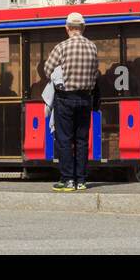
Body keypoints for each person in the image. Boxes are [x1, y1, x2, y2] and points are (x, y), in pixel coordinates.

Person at [42, 12, 99, 191]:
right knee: (82, 139)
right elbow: (96, 73)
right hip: (85, 98)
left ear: (67, 28)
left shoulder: (61, 47)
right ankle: (81, 180)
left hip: (65, 98)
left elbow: (47, 70)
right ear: (83, 28)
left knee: (65, 140)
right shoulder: (92, 47)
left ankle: (67, 180)